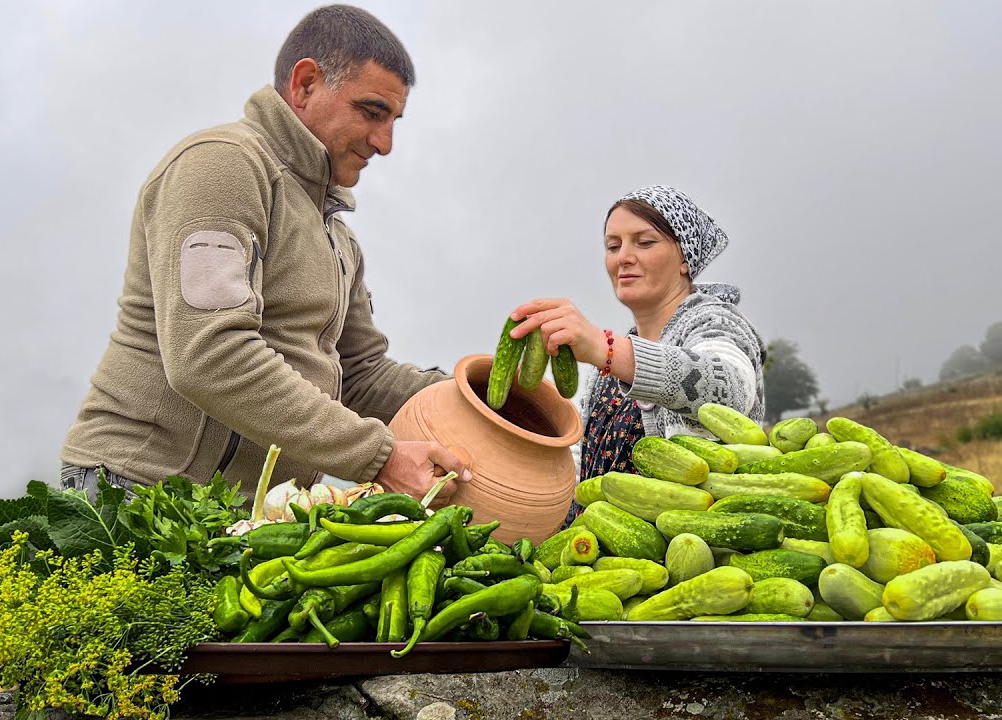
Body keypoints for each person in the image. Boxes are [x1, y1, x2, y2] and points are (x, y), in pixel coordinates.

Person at [60, 5, 469, 502]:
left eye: (393, 121)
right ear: (305, 84)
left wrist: (480, 394)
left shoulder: (338, 237)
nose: (384, 143)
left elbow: (361, 376)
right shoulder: (223, 165)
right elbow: (209, 354)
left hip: (242, 511)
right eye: (371, 112)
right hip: (138, 490)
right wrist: (378, 457)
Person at [509, 185, 765, 521]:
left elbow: (730, 389)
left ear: (685, 258)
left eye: (645, 242)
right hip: (602, 549)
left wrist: (604, 348)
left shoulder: (714, 321)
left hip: (690, 545)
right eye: (613, 246)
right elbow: (581, 471)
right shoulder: (609, 364)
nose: (623, 258)